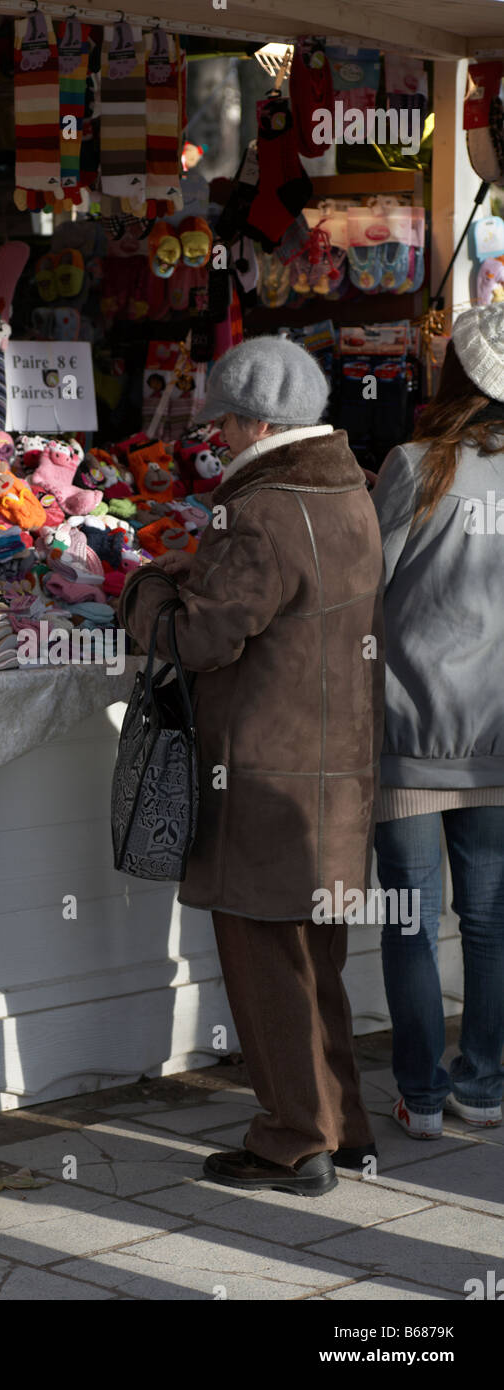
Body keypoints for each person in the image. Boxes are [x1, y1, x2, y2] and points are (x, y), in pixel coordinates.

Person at [119, 336, 385, 1197]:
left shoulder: (265, 512)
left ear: (260, 422)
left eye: (226, 424)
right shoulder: (351, 489)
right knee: (316, 963)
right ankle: (342, 1128)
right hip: (335, 773)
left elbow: (200, 639)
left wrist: (146, 590)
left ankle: (290, 1142)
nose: (219, 440)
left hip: (265, 774)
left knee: (265, 961)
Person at [372, 305, 504, 1139]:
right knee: (490, 919)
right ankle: (484, 1088)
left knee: (410, 919)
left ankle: (420, 1097)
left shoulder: (416, 467)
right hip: (499, 735)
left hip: (411, 733)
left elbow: (364, 584)